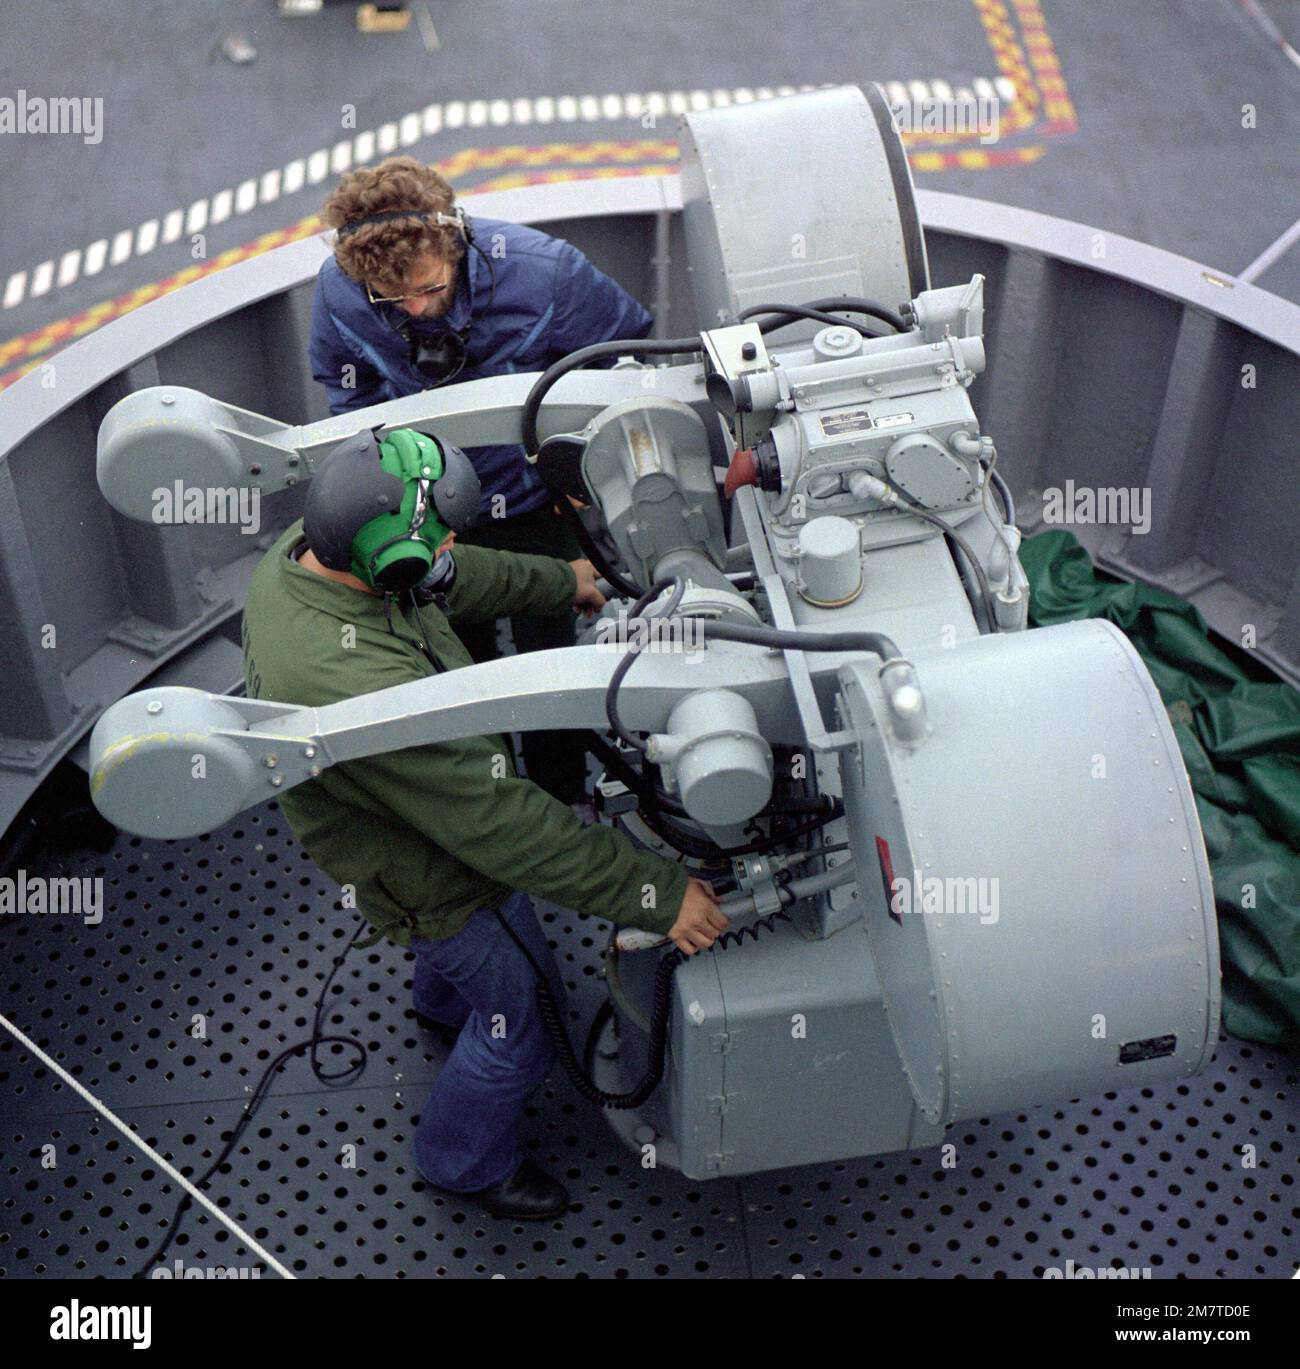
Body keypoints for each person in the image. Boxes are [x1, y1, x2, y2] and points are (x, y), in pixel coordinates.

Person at [241, 427, 728, 1222]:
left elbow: (446, 575)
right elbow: (502, 826)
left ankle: (440, 1002)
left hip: (398, 830)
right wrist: (659, 893)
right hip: (434, 874)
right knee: (523, 1022)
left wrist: (559, 581)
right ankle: (462, 1160)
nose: (454, 542)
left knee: (457, 962)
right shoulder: (350, 686)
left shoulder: (317, 548)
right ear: (387, 553)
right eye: (440, 531)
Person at [310, 154, 653, 816]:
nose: (414, 307)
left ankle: (561, 796)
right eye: (393, 300)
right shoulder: (342, 288)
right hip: (429, 507)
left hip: (541, 499)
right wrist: (386, 473)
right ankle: (493, 794)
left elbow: (626, 357)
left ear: (455, 240)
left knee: (548, 650)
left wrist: (582, 470)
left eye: (428, 288)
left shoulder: (546, 271)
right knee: (451, 655)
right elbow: (343, 378)